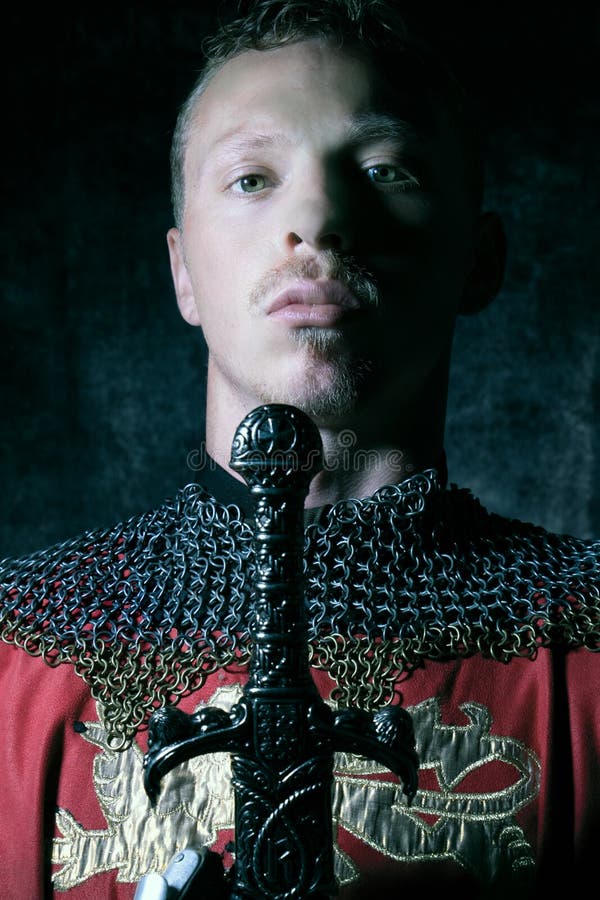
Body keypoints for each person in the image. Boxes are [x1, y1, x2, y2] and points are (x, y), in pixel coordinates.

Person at [1, 1, 598, 897]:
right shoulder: (16, 653)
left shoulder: (585, 647)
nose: (316, 221)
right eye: (251, 178)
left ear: (480, 259)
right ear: (182, 273)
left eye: (386, 168)